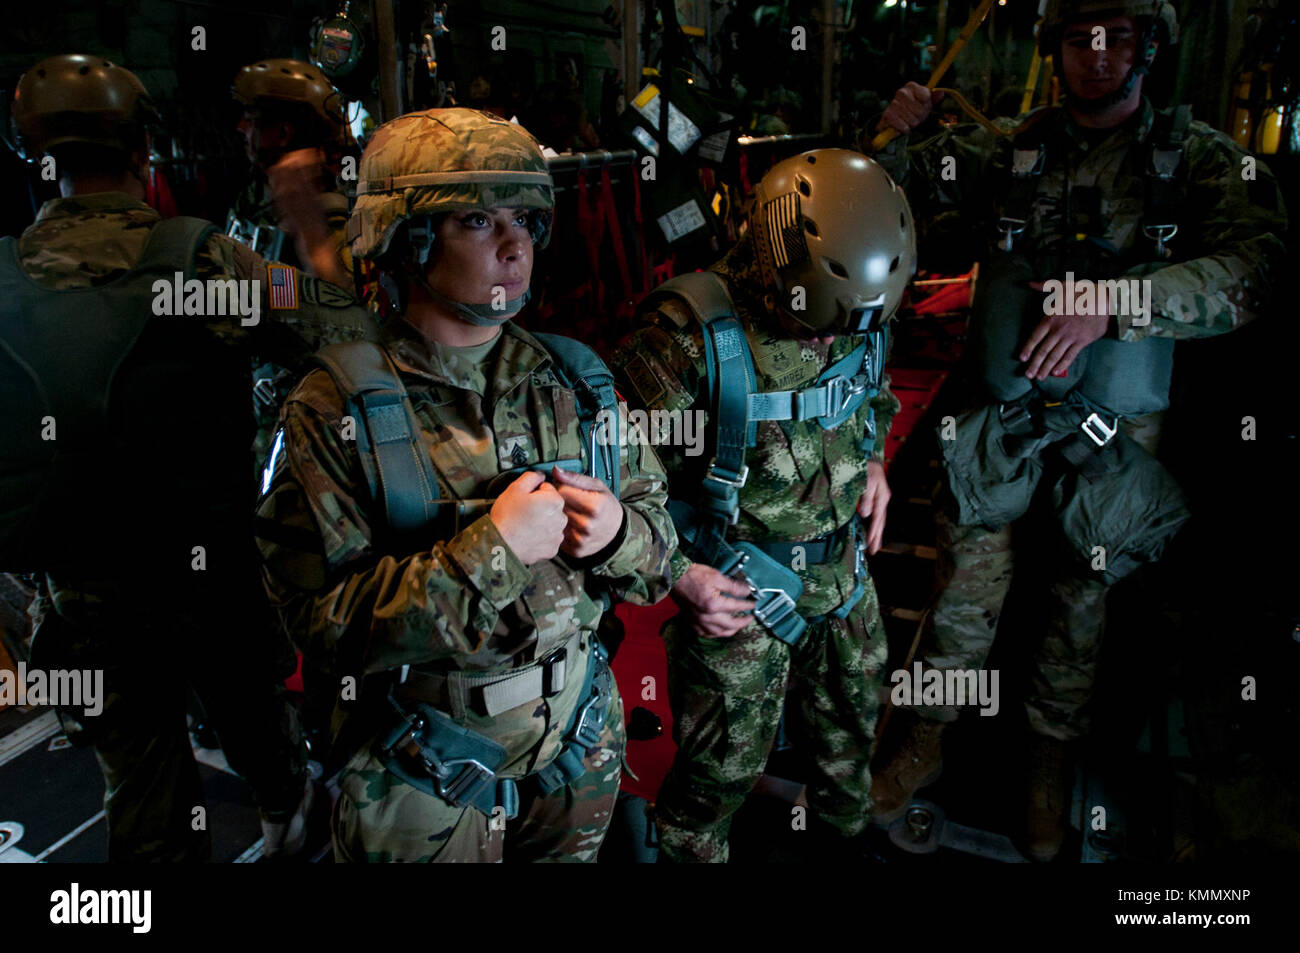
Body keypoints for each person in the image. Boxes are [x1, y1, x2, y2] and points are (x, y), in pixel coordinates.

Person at [866, 0, 1287, 861]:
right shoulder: (1013, 152)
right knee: (958, 599)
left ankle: (1048, 765)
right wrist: (894, 139)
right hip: (1001, 422)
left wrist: (1120, 301)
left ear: (1150, 47)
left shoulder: (1197, 159)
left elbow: (1257, 267)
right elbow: (899, 213)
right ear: (1053, 49)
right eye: (1076, 37)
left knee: (1078, 613)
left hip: (1113, 436)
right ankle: (922, 742)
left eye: (1117, 36)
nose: (1095, 55)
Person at [254, 107, 677, 862]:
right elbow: (320, 629)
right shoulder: (338, 407)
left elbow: (659, 555)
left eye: (523, 218)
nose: (515, 246)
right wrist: (491, 551)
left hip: (577, 739)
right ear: (408, 238)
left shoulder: (574, 380)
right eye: (478, 220)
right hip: (419, 770)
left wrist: (618, 533)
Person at [0, 54, 377, 862]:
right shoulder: (194, 262)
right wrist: (310, 227)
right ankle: (287, 813)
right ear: (144, 149)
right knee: (254, 721)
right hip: (210, 575)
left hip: (82, 591)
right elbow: (344, 327)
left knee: (140, 788)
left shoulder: (4, 277)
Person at [611, 148, 915, 862]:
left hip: (844, 582)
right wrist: (679, 576)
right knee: (714, 782)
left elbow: (873, 386)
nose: (835, 338)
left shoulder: (861, 308)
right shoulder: (688, 337)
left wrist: (870, 455)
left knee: (848, 755)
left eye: (855, 323)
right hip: (738, 595)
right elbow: (618, 484)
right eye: (821, 321)